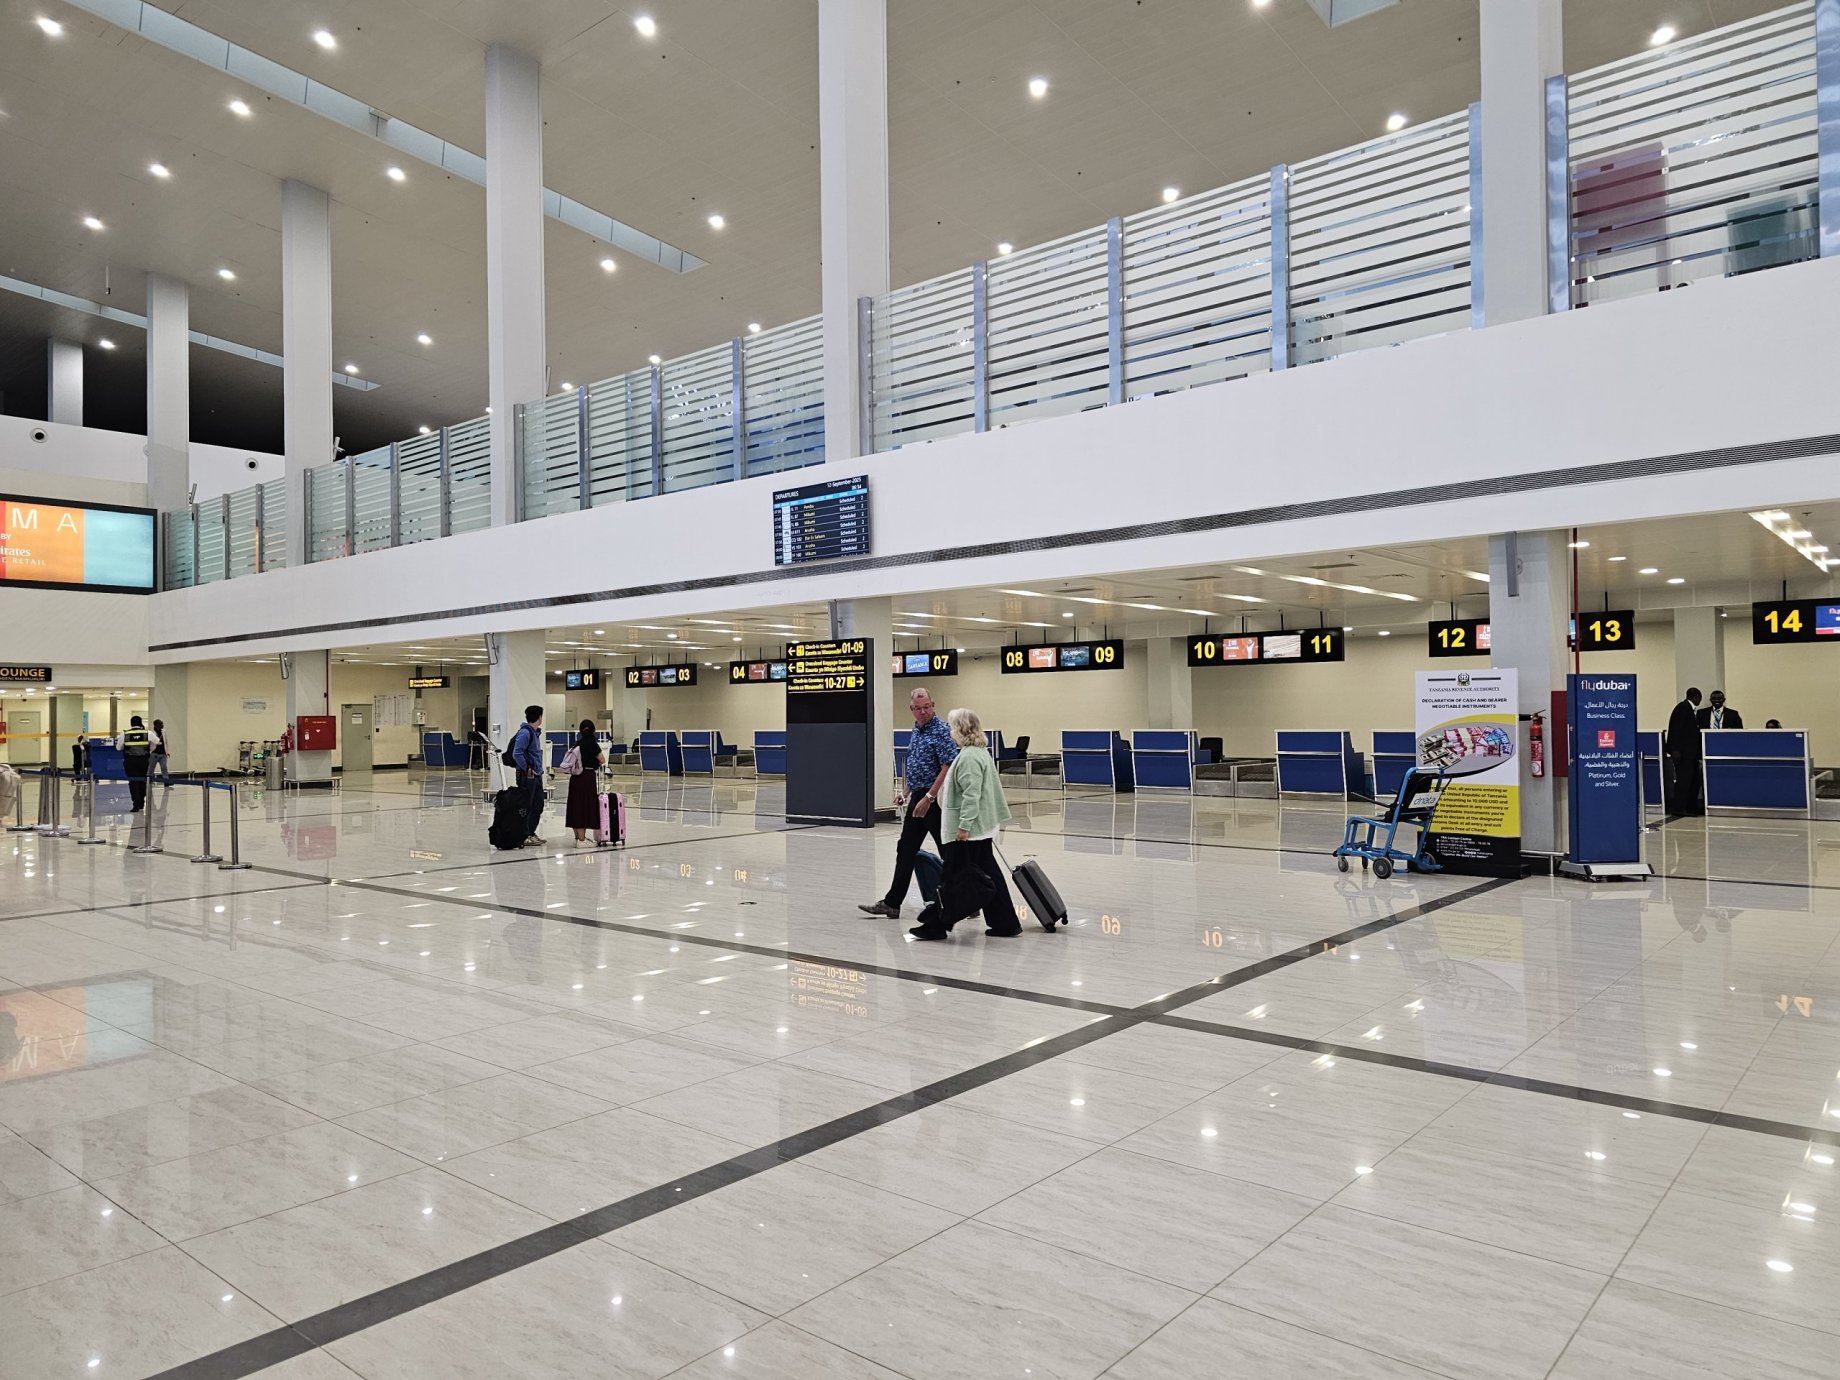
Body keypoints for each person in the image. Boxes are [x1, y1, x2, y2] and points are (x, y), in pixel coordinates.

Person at [911, 707, 1020, 941]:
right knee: (990, 875)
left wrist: (964, 826)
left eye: (952, 727)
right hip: (980, 828)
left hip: (969, 830)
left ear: (961, 729)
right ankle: (1005, 922)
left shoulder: (969, 757)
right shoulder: (979, 753)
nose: (950, 732)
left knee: (952, 877)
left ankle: (937, 924)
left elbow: (972, 795)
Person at [859, 688, 957, 919]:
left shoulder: (942, 730)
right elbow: (916, 764)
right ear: (912, 709)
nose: (923, 712)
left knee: (948, 851)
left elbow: (947, 765)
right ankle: (892, 903)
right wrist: (905, 792)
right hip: (917, 797)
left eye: (927, 707)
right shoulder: (917, 729)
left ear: (933, 704)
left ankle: (967, 898)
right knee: (906, 849)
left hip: (934, 800)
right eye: (918, 708)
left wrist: (929, 797)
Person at [510, 705, 546, 847]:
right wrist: (527, 769)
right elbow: (517, 753)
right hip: (527, 776)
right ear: (539, 717)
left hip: (536, 775)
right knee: (527, 806)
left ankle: (530, 832)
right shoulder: (525, 733)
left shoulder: (534, 733)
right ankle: (524, 834)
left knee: (538, 804)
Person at [564, 718, 603, 846]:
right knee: (584, 806)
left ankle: (577, 838)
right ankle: (582, 840)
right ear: (593, 730)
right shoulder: (593, 744)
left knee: (576, 805)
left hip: (575, 778)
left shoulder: (577, 744)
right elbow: (602, 760)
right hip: (587, 777)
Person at [1665, 687, 1703, 816]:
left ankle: (1689, 806)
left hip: (1690, 754)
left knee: (1692, 781)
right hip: (1683, 754)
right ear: (1697, 697)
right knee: (1684, 781)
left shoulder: (1688, 709)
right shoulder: (1683, 708)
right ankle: (1679, 808)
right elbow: (1675, 729)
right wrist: (1674, 749)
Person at [115, 715, 155, 811]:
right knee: (142, 781)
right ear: (140, 723)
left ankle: (135, 804)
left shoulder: (125, 734)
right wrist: (149, 749)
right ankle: (141, 802)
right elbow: (156, 742)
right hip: (143, 761)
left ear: (131, 723)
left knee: (133, 782)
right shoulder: (147, 733)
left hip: (130, 761)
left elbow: (118, 748)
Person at [150, 718, 172, 786]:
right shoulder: (152, 733)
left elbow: (166, 742)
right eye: (160, 724)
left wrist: (167, 752)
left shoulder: (164, 732)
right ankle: (149, 780)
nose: (162, 725)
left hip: (163, 753)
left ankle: (166, 781)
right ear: (156, 725)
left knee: (164, 767)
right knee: (151, 768)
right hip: (154, 753)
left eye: (162, 724)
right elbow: (150, 743)